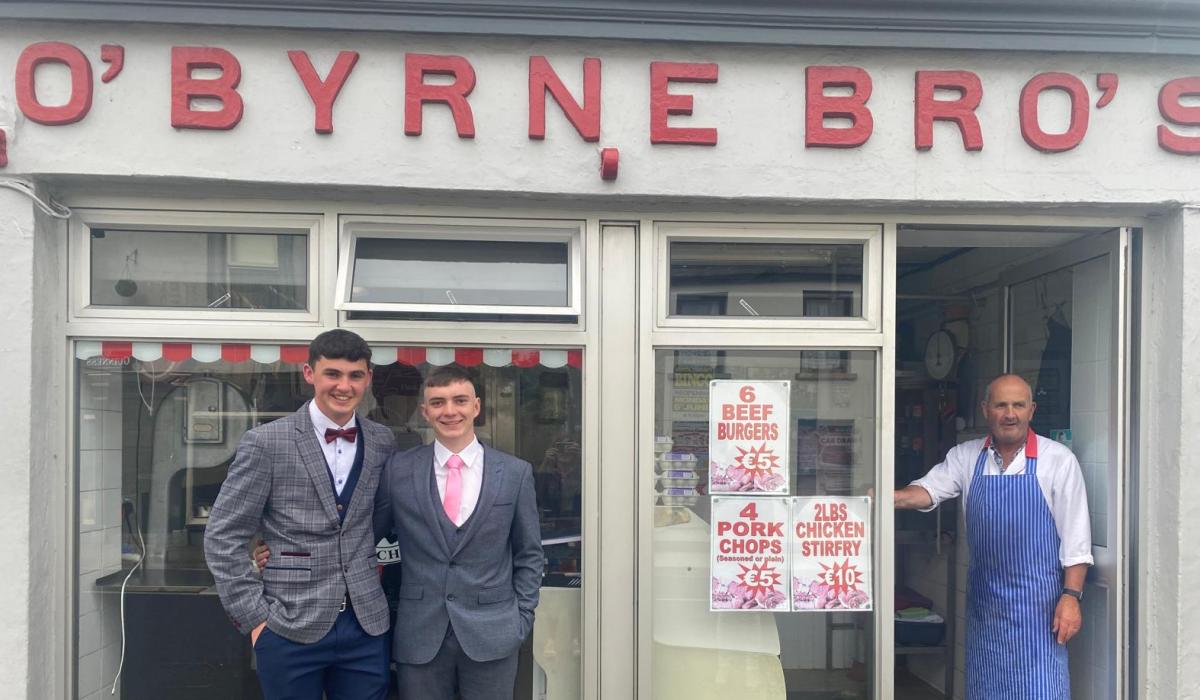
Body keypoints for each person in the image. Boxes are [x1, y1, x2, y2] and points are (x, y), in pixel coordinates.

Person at [204, 329, 396, 700]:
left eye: (355, 375)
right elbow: (223, 536)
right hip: (287, 624)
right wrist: (256, 619)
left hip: (365, 625)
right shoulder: (266, 442)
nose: (344, 386)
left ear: (368, 377)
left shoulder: (383, 441)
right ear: (309, 374)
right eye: (333, 374)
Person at [893, 374, 1092, 700]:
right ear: (986, 410)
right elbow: (928, 491)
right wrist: (889, 498)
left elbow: (1077, 539)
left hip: (1039, 614)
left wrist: (1071, 597)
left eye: (1018, 405)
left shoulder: (1058, 461)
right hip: (986, 609)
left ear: (1032, 410)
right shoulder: (966, 456)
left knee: (1042, 690)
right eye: (1001, 405)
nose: (1009, 414)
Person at [375, 364, 543, 700]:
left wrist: (520, 619)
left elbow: (529, 554)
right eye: (438, 402)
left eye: (459, 400)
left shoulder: (514, 473)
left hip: (494, 634)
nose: (449, 411)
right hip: (420, 634)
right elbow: (364, 536)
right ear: (425, 411)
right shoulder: (398, 470)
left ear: (476, 407)